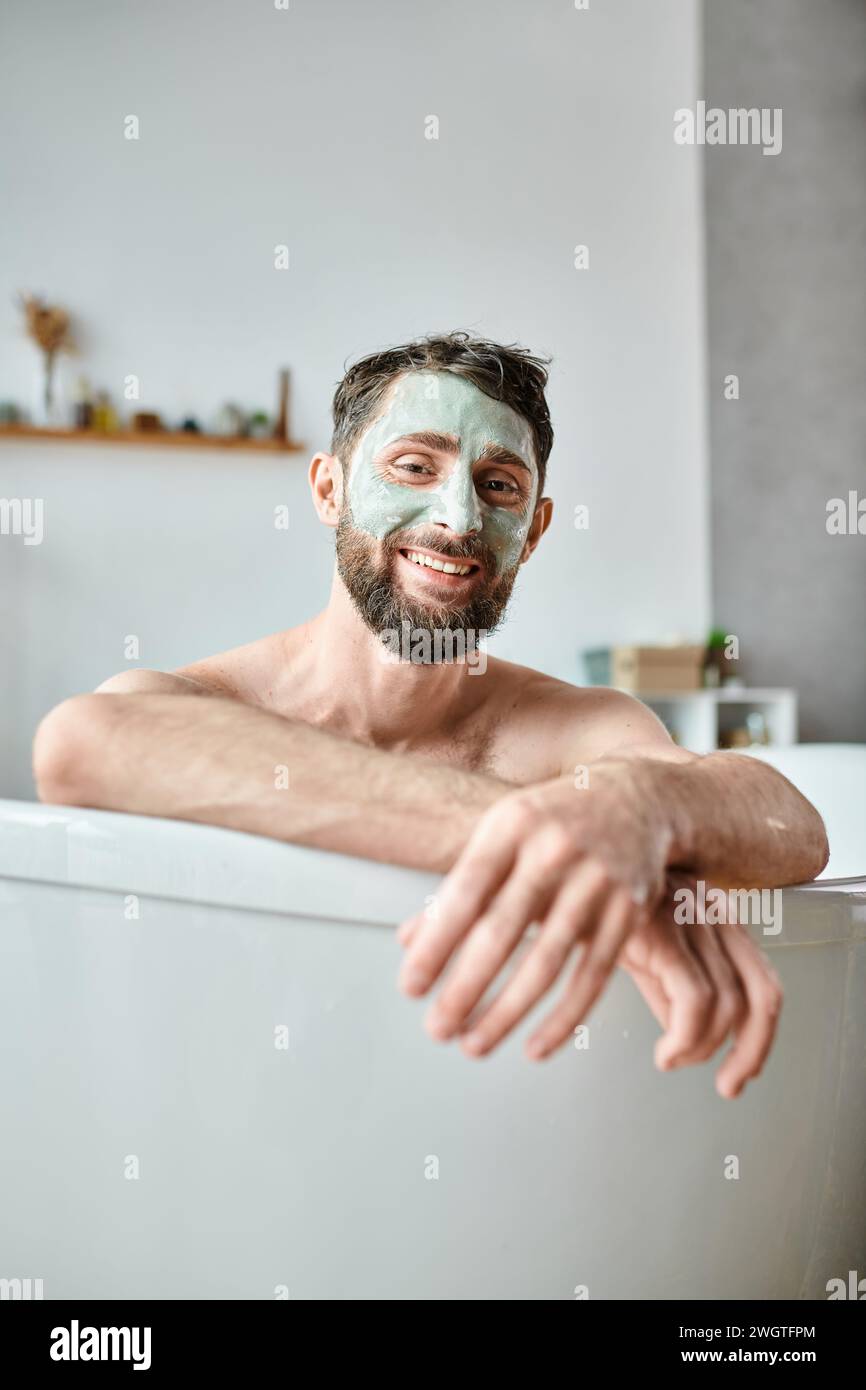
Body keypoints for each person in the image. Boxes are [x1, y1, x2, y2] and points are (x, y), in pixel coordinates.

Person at [33, 333, 828, 1098]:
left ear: (536, 530)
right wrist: (560, 837)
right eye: (414, 467)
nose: (458, 519)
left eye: (500, 485)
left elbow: (792, 826)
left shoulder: (577, 730)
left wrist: (639, 809)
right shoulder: (208, 704)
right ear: (328, 489)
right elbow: (82, 742)